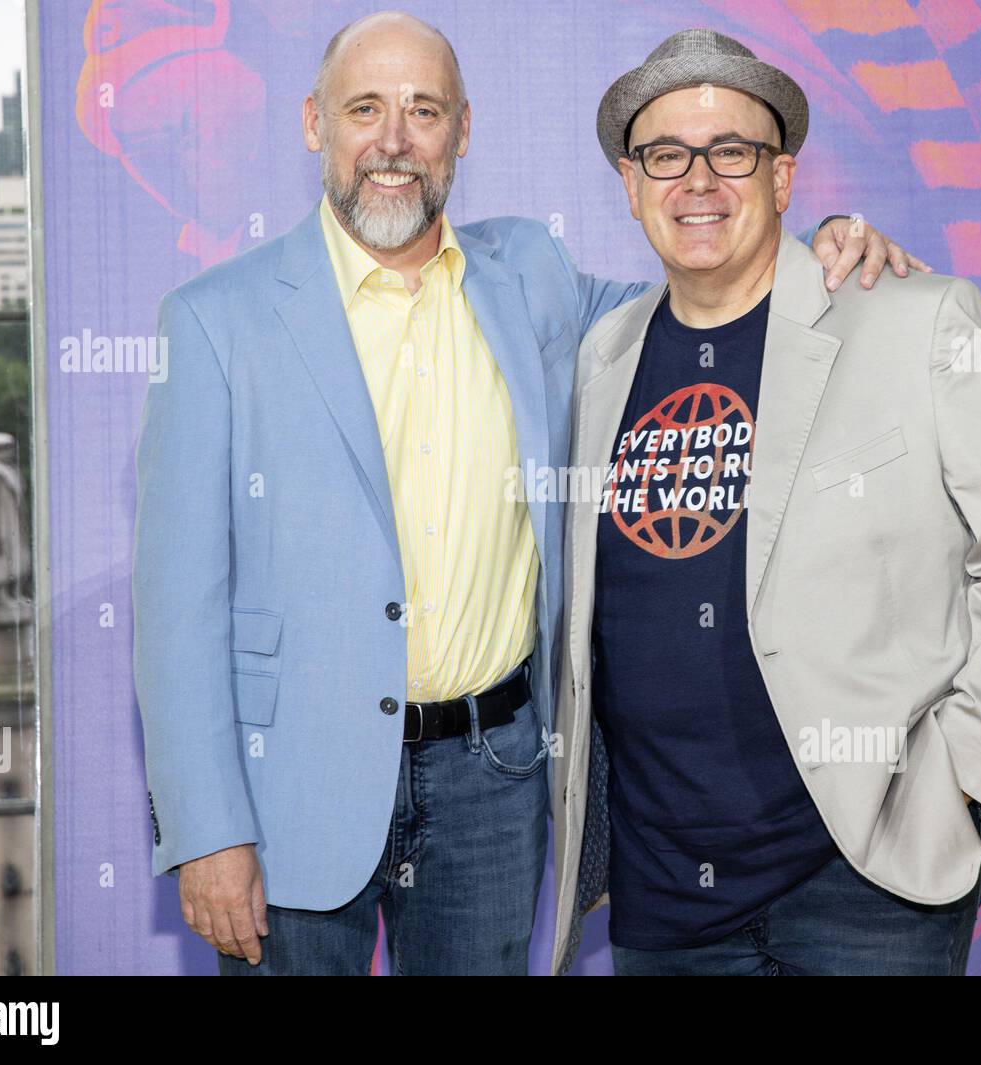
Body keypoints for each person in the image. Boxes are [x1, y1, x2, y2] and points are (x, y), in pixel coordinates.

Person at [133, 11, 923, 977]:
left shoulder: (534, 277)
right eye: (365, 109)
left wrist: (825, 243)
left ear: (463, 131)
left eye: (424, 111)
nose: (393, 140)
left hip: (495, 777)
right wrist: (207, 828)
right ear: (313, 124)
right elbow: (176, 610)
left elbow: (701, 293)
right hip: (290, 785)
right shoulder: (216, 320)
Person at [551, 29, 981, 976]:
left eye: (733, 152)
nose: (699, 180)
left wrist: (970, 777)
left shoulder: (913, 318)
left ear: (783, 178)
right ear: (631, 186)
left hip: (867, 883)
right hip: (666, 895)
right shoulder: (603, 356)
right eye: (666, 155)